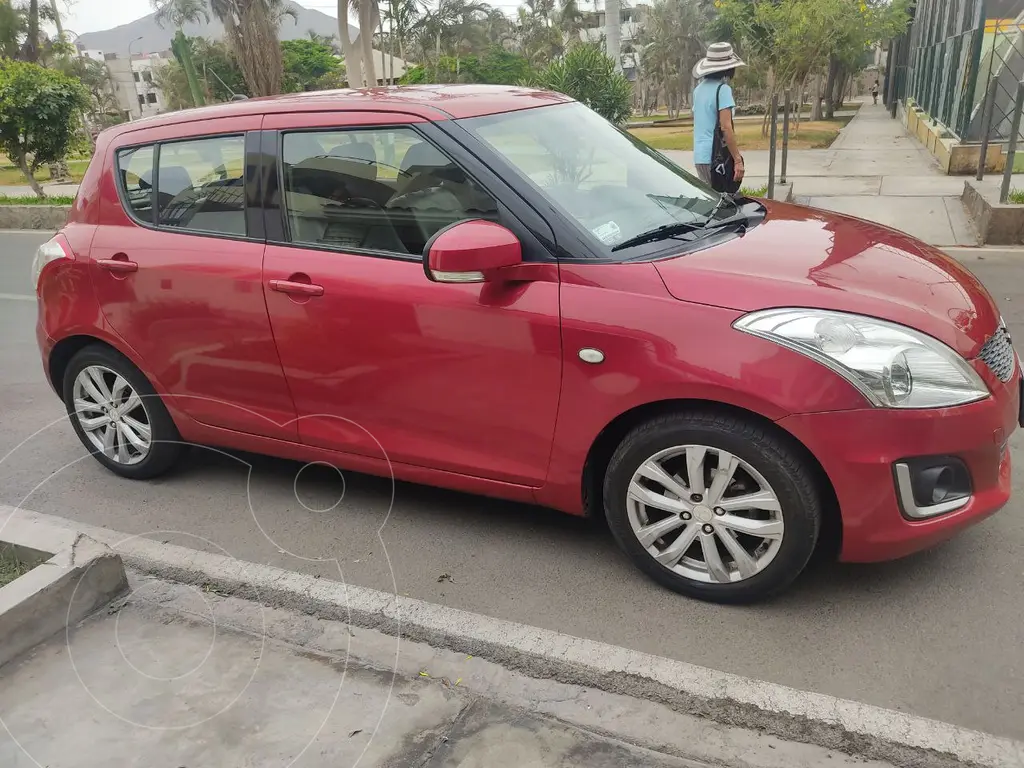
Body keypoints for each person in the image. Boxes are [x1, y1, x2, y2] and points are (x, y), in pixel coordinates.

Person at [691, 42, 745, 191]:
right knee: (726, 206)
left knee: (711, 201)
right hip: (717, 158)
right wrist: (738, 160)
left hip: (700, 157)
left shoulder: (698, 90)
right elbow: (726, 127)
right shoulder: (723, 90)